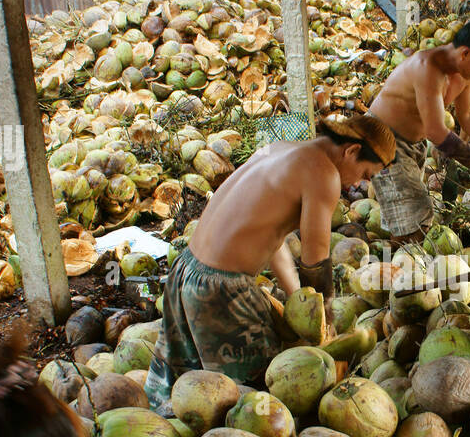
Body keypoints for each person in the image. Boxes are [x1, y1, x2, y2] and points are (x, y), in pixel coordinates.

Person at [146, 116, 396, 400]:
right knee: (259, 396)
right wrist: (327, 325)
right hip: (221, 292)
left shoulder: (281, 148)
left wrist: (299, 301)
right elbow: (316, 261)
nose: (358, 184)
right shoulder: (324, 174)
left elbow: (274, 238)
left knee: (179, 393)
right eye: (365, 174)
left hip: (187, 272)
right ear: (351, 151)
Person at [366, 19, 470, 241]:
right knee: (415, 223)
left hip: (412, 144)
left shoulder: (465, 73)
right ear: (465, 53)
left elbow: (467, 116)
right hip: (384, 139)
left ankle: (396, 261)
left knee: (406, 217)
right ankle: (400, 268)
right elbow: (435, 131)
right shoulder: (428, 69)